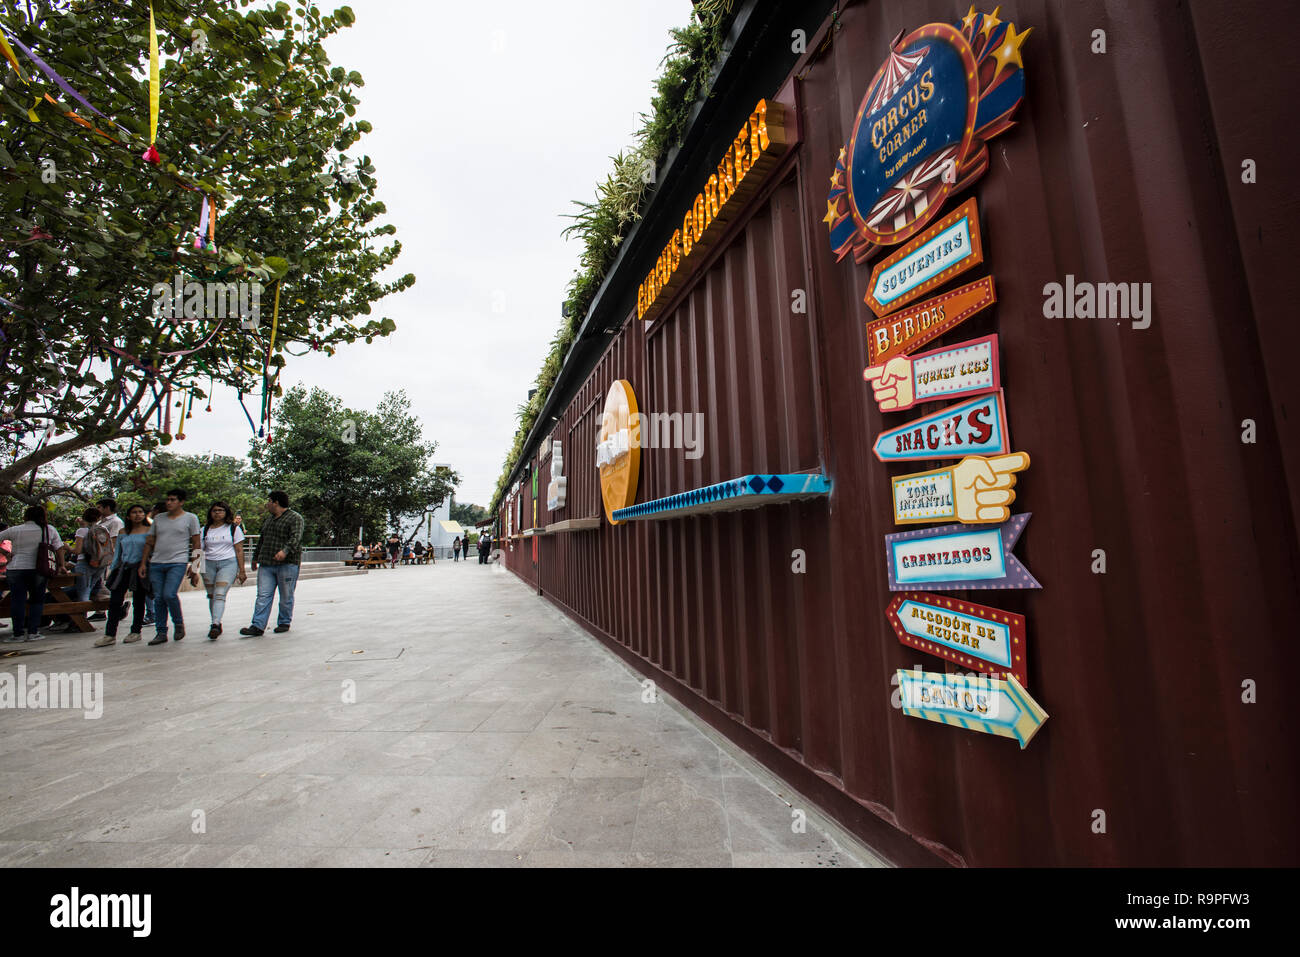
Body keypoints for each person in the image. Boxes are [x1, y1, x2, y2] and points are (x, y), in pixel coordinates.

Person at [138, 488, 201, 645]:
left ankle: (178, 623)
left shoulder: (190, 518)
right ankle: (161, 631)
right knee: (158, 597)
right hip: (157, 563)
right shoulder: (159, 519)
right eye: (168, 499)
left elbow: (197, 543)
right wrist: (143, 563)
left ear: (181, 502)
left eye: (173, 500)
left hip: (178, 562)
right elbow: (150, 541)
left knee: (169, 594)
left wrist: (195, 567)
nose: (169, 502)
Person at [0, 505, 68, 643]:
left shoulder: (15, 530)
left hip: (16, 568)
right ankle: (33, 632)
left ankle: (17, 634)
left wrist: (6, 554)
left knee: (17, 601)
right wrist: (62, 565)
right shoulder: (49, 529)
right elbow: (59, 548)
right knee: (37, 601)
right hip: (39, 569)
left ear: (26, 516)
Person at [240, 490, 303, 637]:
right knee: (263, 595)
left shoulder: (295, 518)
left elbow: (296, 538)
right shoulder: (268, 519)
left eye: (269, 501)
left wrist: (285, 551)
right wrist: (255, 558)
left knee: (286, 594)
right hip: (266, 563)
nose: (267, 504)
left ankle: (284, 622)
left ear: (276, 502)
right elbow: (262, 539)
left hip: (288, 564)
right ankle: (257, 625)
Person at [93, 504, 152, 647]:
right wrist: (113, 569)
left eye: (140, 512)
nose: (138, 515)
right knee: (115, 601)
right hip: (124, 568)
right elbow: (118, 552)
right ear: (128, 515)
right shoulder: (123, 532)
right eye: (134, 512)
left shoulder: (149, 531)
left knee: (139, 601)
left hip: (140, 568)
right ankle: (110, 634)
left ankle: (136, 631)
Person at [200, 501, 247, 640]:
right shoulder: (205, 529)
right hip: (208, 563)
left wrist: (242, 570)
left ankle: (215, 624)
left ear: (226, 512)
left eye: (221, 510)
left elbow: (239, 550)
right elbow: (199, 549)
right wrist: (195, 569)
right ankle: (216, 620)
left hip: (228, 563)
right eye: (215, 510)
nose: (217, 513)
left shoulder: (233, 529)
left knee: (220, 593)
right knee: (212, 595)